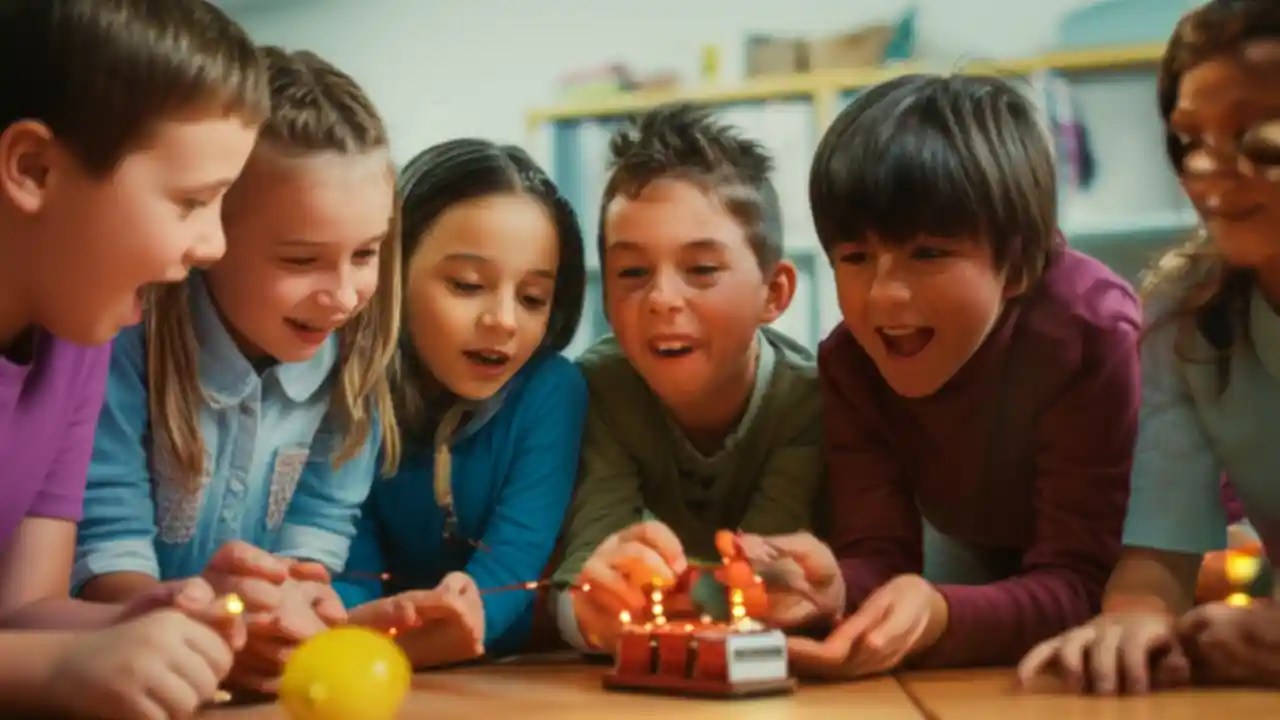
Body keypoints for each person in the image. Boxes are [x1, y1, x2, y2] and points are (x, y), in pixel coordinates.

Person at [758, 73, 1141, 679]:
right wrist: (832, 589)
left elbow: (1091, 586)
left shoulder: (1088, 336)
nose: (883, 296)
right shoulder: (851, 363)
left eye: (928, 253)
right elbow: (879, 556)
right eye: (855, 258)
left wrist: (941, 613)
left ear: (1019, 263)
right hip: (998, 557)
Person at [74, 47, 401, 693]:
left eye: (366, 253)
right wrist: (196, 630)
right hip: (112, 670)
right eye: (301, 260)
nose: (344, 296)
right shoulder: (123, 340)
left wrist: (292, 609)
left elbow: (319, 531)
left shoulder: (354, 364)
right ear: (210, 234)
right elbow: (105, 547)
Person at [0, 1, 273, 717]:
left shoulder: (78, 338)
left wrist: (160, 624)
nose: (214, 245)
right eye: (191, 202)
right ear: (34, 169)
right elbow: (32, 654)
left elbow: (23, 609)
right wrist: (52, 670)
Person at [1019, 0, 1280, 693]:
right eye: (1188, 140)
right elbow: (1160, 552)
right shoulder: (1187, 315)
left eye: (1263, 139)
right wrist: (1132, 622)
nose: (1209, 169)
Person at [554, 103, 823, 653]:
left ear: (774, 293)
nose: (661, 299)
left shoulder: (810, 402)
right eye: (632, 272)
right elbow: (585, 573)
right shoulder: (597, 390)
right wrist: (586, 610)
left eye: (701, 270)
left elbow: (765, 583)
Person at [336, 138, 588, 667]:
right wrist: (349, 623)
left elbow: (506, 577)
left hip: (513, 675)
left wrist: (446, 627)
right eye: (467, 285)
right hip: (384, 663)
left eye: (533, 298)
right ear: (391, 269)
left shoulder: (551, 391)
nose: (503, 320)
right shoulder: (351, 386)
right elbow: (351, 574)